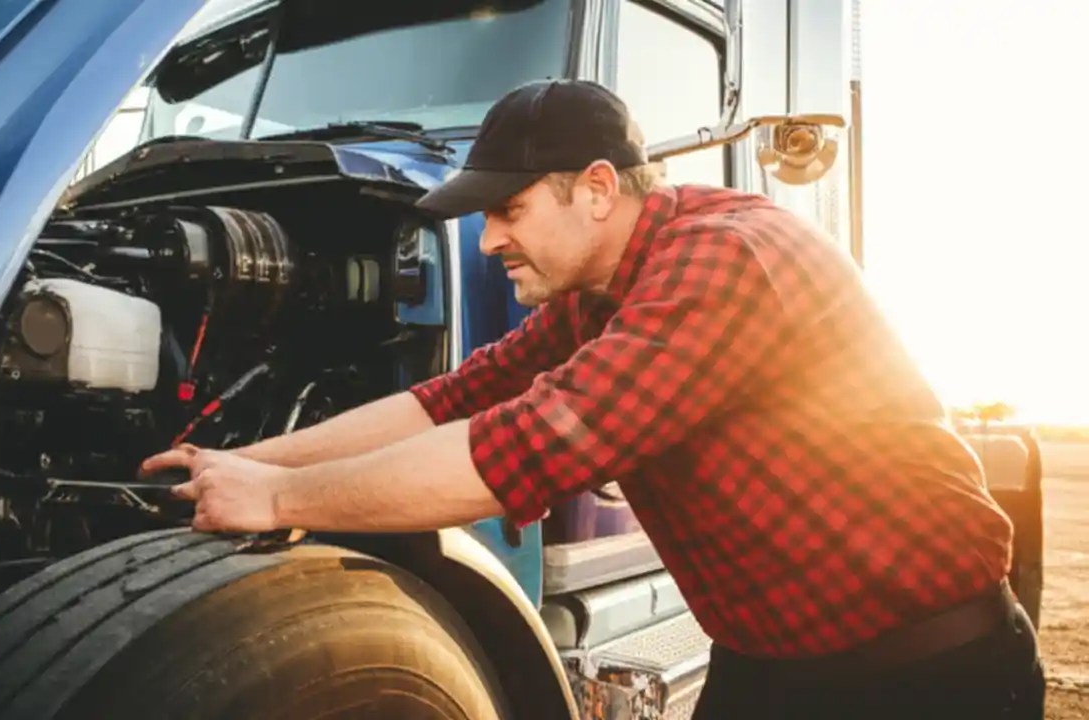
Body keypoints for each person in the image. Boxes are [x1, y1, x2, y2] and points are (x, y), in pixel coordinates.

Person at [140, 79, 1044, 718]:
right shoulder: (592, 296)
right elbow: (449, 401)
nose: (488, 239)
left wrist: (280, 500)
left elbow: (527, 448)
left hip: (921, 674)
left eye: (509, 211)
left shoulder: (725, 257)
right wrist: (251, 461)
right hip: (771, 665)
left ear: (599, 190)